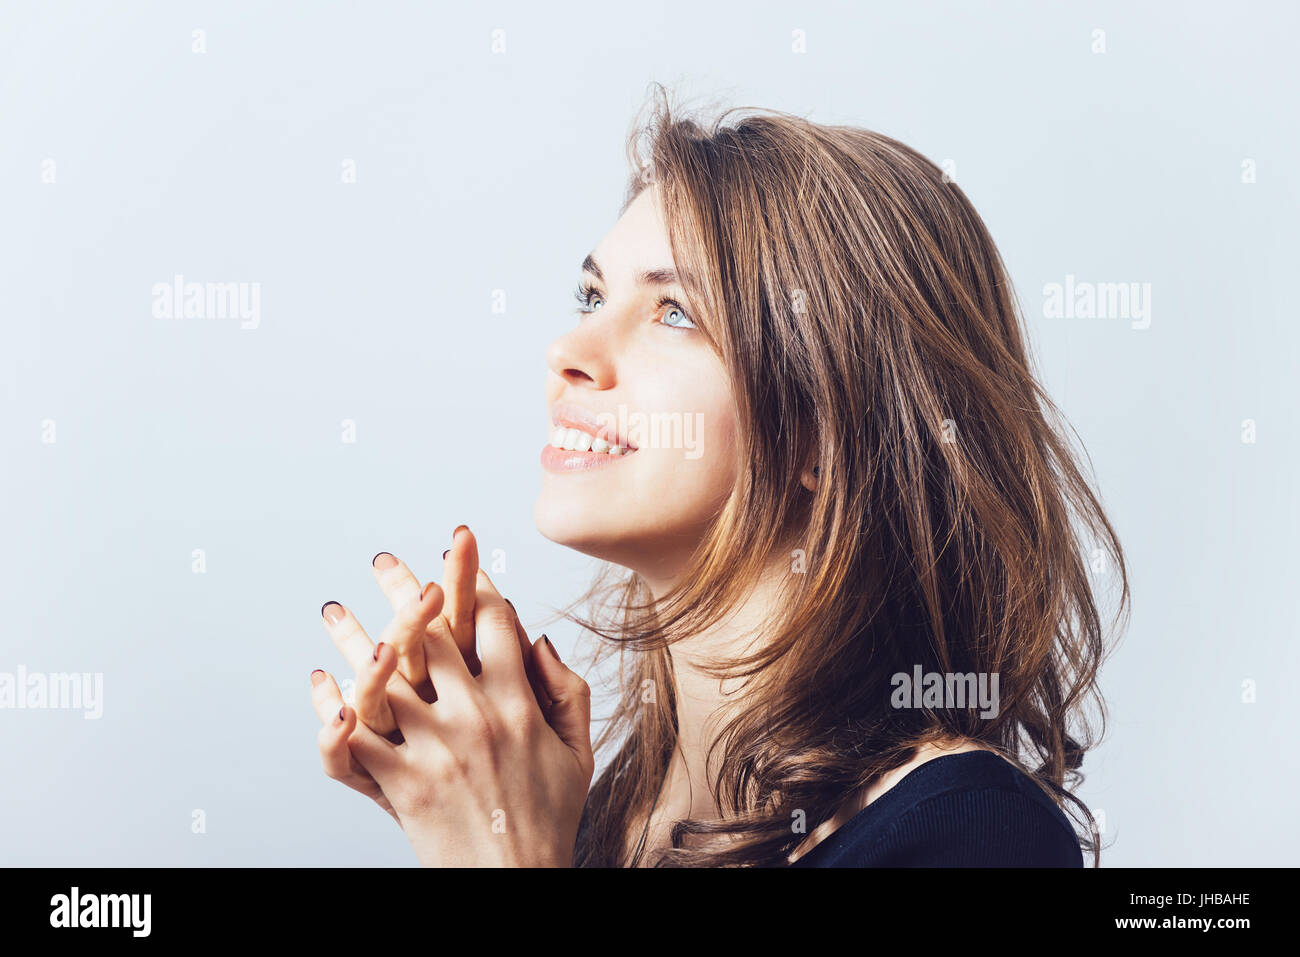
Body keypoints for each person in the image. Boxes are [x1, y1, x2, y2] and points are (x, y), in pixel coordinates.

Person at [306, 87, 1129, 867]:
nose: (569, 352)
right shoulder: (592, 820)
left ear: (826, 431)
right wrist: (475, 808)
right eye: (590, 295)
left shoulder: (972, 834)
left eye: (673, 313)